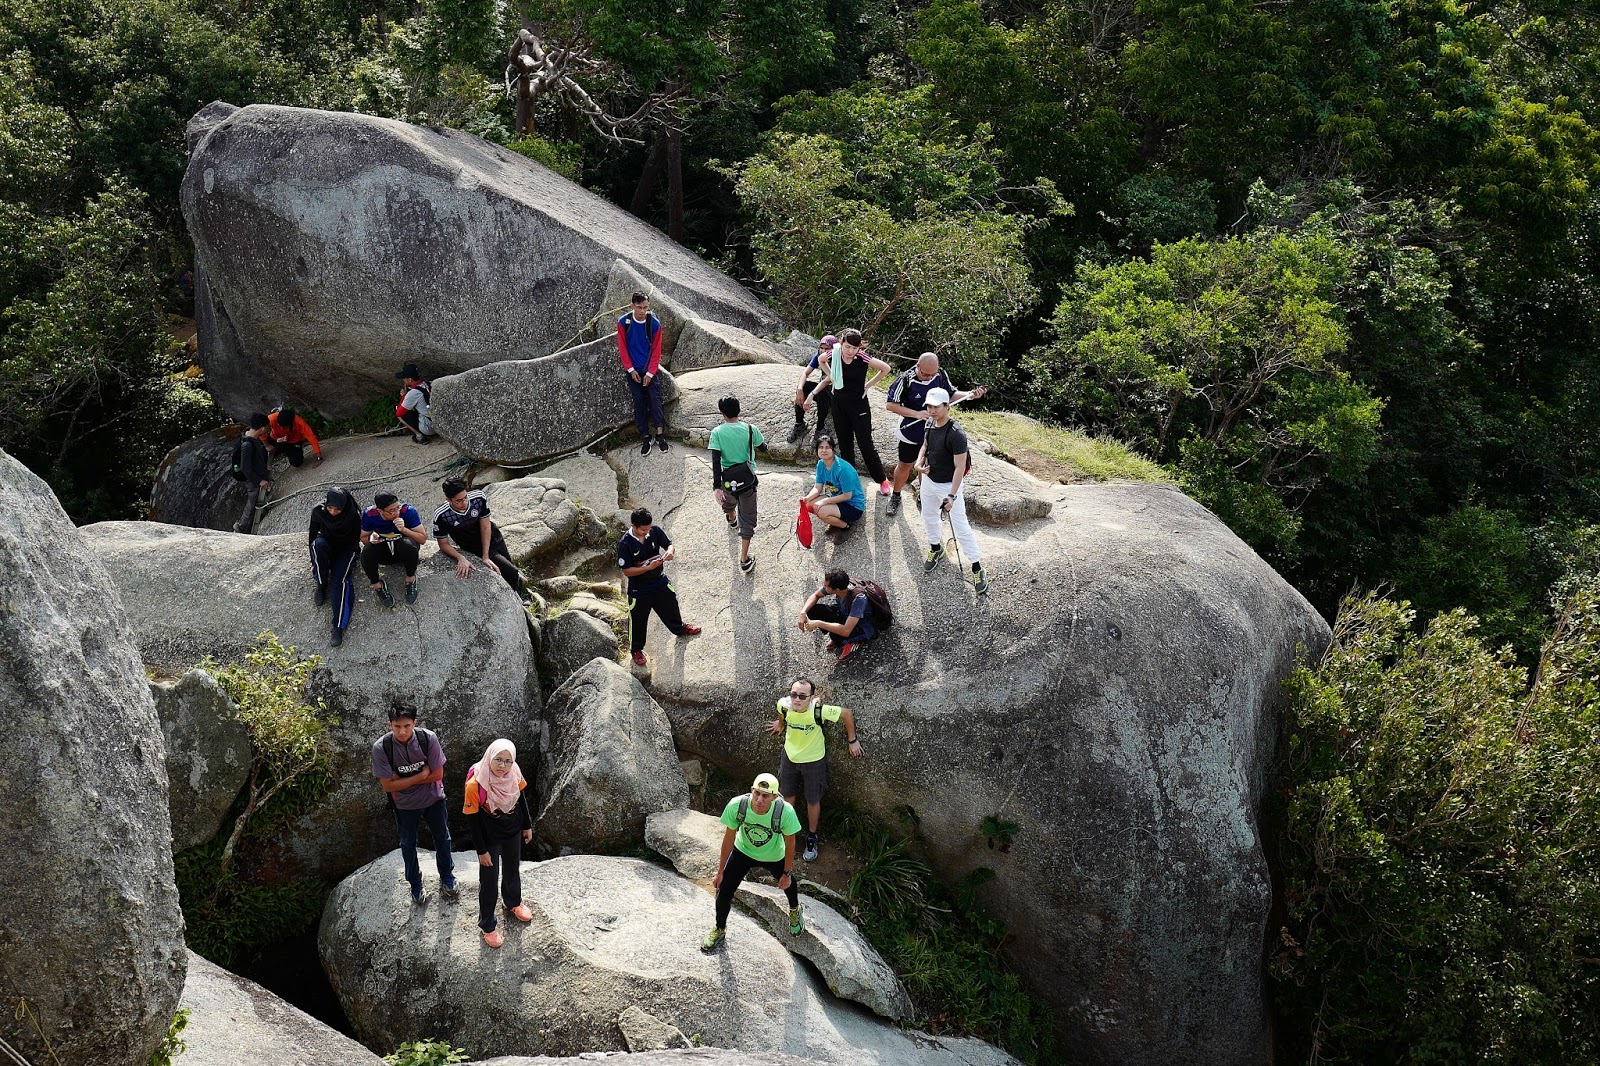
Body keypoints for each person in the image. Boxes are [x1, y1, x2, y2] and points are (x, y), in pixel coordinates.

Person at [701, 773, 804, 953]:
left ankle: (795, 909)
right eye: (757, 793)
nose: (759, 800)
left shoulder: (785, 812)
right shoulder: (737, 805)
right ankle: (719, 928)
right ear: (751, 790)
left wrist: (786, 873)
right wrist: (720, 871)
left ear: (774, 797)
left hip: (773, 855)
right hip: (743, 851)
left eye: (765, 796)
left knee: (789, 884)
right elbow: (728, 838)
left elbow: (790, 843)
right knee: (724, 891)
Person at [371, 706, 459, 905]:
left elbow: (438, 774)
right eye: (397, 726)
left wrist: (401, 780)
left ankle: (447, 876)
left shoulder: (428, 739)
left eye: (407, 726)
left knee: (442, 837)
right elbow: (387, 785)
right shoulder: (382, 748)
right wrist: (421, 775)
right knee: (408, 844)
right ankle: (416, 886)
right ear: (390, 725)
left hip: (433, 798)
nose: (402, 731)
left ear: (415, 723)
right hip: (404, 805)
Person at [767, 678, 862, 862]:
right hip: (790, 756)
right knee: (787, 796)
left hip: (813, 760)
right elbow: (781, 712)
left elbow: (846, 714)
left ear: (811, 697)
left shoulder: (818, 711)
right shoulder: (784, 705)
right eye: (794, 694)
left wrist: (852, 740)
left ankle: (811, 837)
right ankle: (787, 833)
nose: (797, 699)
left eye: (802, 696)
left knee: (812, 799)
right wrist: (780, 724)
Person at [884, 353, 986, 517]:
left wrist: (969, 395)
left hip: (935, 430)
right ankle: (896, 495)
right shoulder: (905, 380)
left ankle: (923, 496)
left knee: (928, 466)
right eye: (925, 374)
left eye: (932, 374)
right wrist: (916, 414)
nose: (929, 378)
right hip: (911, 430)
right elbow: (890, 405)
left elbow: (950, 395)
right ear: (918, 366)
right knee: (905, 464)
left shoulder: (940, 375)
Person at [915, 388, 988, 594]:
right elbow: (925, 446)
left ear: (947, 406)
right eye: (929, 406)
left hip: (948, 485)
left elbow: (959, 467)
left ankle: (977, 567)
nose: (932, 410)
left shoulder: (956, 434)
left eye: (936, 407)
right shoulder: (929, 423)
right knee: (928, 516)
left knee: (961, 526)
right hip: (929, 480)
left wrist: (952, 495)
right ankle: (935, 547)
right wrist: (919, 463)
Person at [463, 738, 534, 948]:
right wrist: (481, 851)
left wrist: (527, 825)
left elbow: (521, 798)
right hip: (489, 836)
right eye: (498, 760)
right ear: (489, 757)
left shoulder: (515, 772)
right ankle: (487, 924)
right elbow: (472, 821)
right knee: (489, 881)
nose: (502, 766)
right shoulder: (476, 783)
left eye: (508, 761)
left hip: (512, 829)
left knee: (512, 868)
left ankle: (513, 901)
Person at [616, 507, 701, 667]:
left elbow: (669, 544)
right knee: (638, 620)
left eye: (648, 529)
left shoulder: (654, 531)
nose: (647, 532)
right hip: (639, 589)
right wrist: (648, 567)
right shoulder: (625, 544)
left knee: (671, 605)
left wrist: (670, 552)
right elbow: (627, 571)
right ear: (634, 526)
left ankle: (680, 629)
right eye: (643, 530)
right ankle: (636, 650)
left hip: (659, 581)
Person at [432, 479, 528, 601]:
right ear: (448, 500)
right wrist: (461, 558)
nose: (464, 503)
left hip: (492, 537)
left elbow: (485, 526)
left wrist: (486, 556)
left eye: (465, 497)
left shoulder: (478, 498)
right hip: (472, 546)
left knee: (509, 567)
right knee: (510, 571)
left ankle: (518, 591)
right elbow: (443, 543)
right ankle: (516, 598)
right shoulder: (442, 515)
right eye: (459, 501)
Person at [829, 329, 894, 495]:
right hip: (839, 404)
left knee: (865, 444)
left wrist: (868, 385)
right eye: (847, 346)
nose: (850, 351)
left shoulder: (862, 357)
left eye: (855, 347)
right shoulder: (835, 354)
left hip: (859, 405)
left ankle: (882, 479)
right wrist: (833, 378)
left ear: (859, 347)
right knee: (845, 444)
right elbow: (821, 360)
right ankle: (849, 480)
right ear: (841, 343)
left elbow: (885, 368)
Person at [709, 395, 765, 575]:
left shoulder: (717, 432)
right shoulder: (750, 429)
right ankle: (744, 559)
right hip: (748, 479)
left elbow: (715, 461)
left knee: (729, 501)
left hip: (727, 479)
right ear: (739, 410)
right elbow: (762, 447)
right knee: (747, 518)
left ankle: (732, 518)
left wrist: (717, 487)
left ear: (722, 413)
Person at [308, 486, 361, 648]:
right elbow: (312, 537)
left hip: (346, 549)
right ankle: (321, 583)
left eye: (337, 509)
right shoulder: (318, 511)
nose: (332, 512)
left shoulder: (353, 516)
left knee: (339, 582)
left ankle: (338, 627)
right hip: (326, 544)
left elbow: (354, 542)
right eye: (330, 508)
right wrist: (317, 563)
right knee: (317, 546)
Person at [617, 291, 668, 455]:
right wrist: (631, 370)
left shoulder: (654, 324)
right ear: (632, 305)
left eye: (645, 307)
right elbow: (622, 347)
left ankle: (660, 434)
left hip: (649, 369)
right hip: (633, 370)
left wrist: (651, 373)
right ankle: (646, 435)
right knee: (638, 401)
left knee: (655, 399)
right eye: (639, 307)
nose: (642, 311)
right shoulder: (623, 322)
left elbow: (657, 350)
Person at [796, 568, 880, 661]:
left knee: (838, 636)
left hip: (861, 628)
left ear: (836, 590)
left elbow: (846, 631)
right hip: (845, 614)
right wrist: (803, 612)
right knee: (813, 610)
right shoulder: (840, 586)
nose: (824, 587)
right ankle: (838, 638)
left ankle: (854, 641)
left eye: (826, 586)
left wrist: (818, 623)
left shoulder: (858, 600)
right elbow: (816, 595)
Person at [361, 491, 428, 606]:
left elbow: (422, 539)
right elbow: (363, 538)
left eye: (398, 507)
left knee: (407, 544)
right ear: (380, 511)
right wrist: (371, 538)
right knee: (367, 551)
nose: (397, 512)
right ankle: (378, 585)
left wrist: (404, 529)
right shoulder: (370, 514)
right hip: (383, 550)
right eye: (391, 511)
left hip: (404, 551)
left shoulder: (407, 511)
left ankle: (410, 579)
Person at [802, 435, 865, 531]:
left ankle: (845, 526)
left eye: (827, 447)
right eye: (821, 447)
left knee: (821, 511)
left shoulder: (842, 469)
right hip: (836, 499)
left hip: (853, 506)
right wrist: (807, 498)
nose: (824, 450)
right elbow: (817, 487)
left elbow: (847, 496)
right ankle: (834, 518)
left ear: (833, 450)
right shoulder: (821, 464)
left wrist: (824, 501)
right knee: (809, 504)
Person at [790, 335, 837, 444]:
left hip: (836, 394)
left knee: (822, 390)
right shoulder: (819, 355)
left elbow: (829, 381)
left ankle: (820, 428)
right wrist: (800, 389)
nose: (823, 351)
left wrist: (812, 394)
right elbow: (805, 373)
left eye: (827, 349)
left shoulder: (838, 359)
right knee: (805, 386)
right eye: (822, 348)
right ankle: (799, 424)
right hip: (823, 390)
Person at [232, 413, 271, 533]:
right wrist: (259, 481)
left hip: (256, 475)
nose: (267, 430)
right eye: (267, 428)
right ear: (262, 428)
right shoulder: (247, 445)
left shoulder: (248, 436)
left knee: (256, 499)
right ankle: (241, 528)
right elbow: (246, 468)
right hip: (252, 479)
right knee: (252, 501)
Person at [394, 364, 434, 444]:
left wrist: (403, 396)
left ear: (410, 379)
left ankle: (419, 436)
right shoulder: (429, 383)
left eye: (404, 378)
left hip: (430, 428)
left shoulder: (413, 393)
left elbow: (399, 412)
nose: (403, 380)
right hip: (441, 423)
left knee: (400, 414)